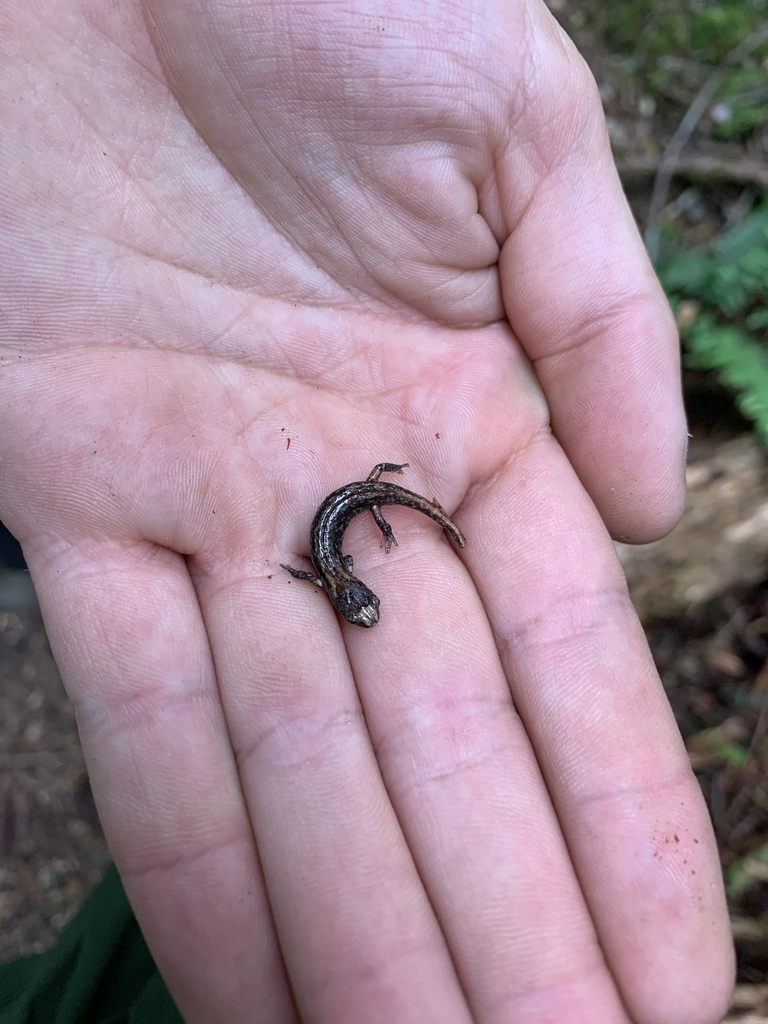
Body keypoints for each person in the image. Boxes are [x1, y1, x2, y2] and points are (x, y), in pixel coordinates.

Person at [0, 0, 734, 1021]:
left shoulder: (348, 546)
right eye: (354, 604)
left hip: (369, 491)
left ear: (349, 584)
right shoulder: (338, 559)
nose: (352, 607)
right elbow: (316, 553)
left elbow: (323, 546)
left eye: (354, 604)